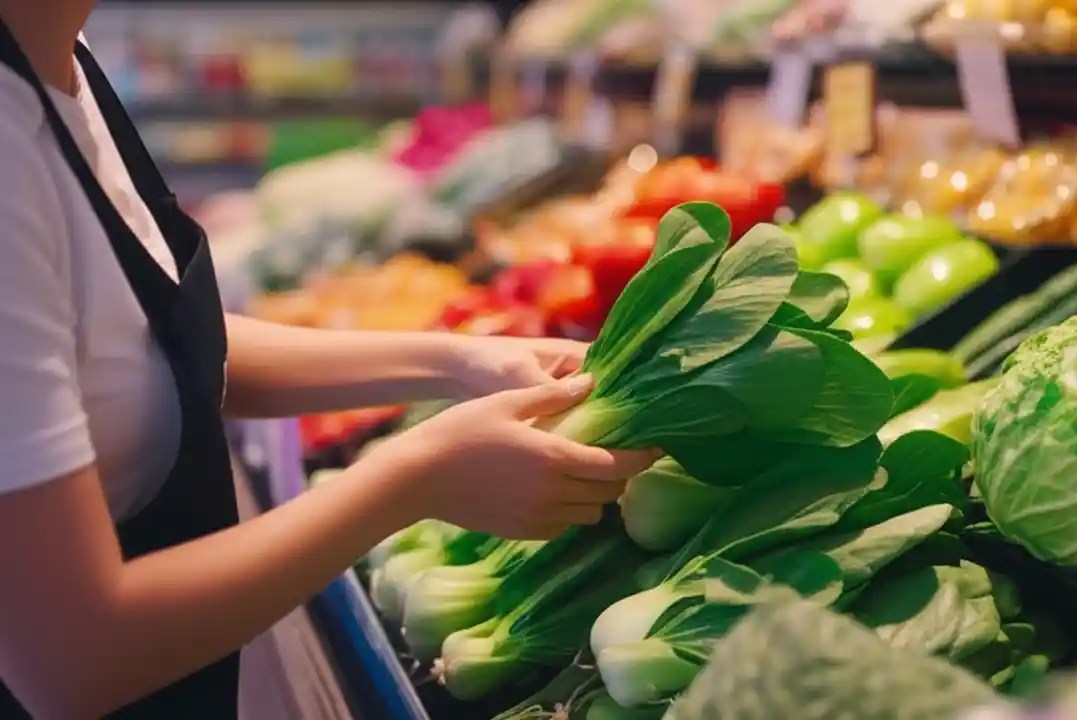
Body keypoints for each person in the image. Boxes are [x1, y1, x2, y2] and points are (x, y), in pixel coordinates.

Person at [0, 2, 659, 717]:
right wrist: (410, 478)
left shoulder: (61, 55)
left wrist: (459, 360)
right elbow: (72, 658)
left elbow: (139, 345)